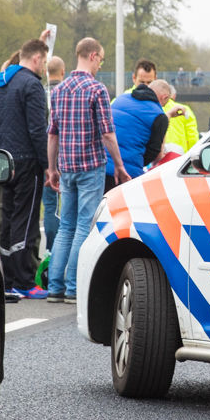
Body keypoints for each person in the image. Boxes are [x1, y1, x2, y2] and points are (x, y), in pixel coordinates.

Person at [45, 39, 130, 302]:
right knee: (84, 225)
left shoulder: (59, 90)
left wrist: (52, 168)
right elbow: (107, 133)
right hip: (91, 165)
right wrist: (119, 165)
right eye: (101, 59)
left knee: (65, 226)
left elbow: (52, 134)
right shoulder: (97, 89)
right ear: (93, 55)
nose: (100, 65)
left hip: (67, 166)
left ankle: (55, 287)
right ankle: (74, 287)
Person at [0, 37, 51, 299]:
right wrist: (48, 166)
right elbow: (37, 130)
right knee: (26, 220)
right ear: (36, 58)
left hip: (2, 161)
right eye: (44, 62)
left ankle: (7, 278)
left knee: (5, 221)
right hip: (26, 162)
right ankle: (24, 280)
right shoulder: (32, 85)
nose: (44, 67)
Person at [106, 70, 168, 188]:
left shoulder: (120, 98)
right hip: (127, 173)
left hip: (99, 166)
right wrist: (138, 161)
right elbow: (153, 151)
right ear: (164, 98)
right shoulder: (159, 116)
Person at [41, 54, 65, 259]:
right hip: (66, 155)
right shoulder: (67, 93)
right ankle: (64, 248)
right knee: (68, 205)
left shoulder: (39, 93)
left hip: (46, 155)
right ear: (63, 72)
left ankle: (50, 248)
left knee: (50, 206)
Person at [150, 79, 198, 157]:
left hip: (157, 154)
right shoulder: (184, 110)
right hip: (180, 156)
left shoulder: (152, 108)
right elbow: (192, 137)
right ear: (173, 95)